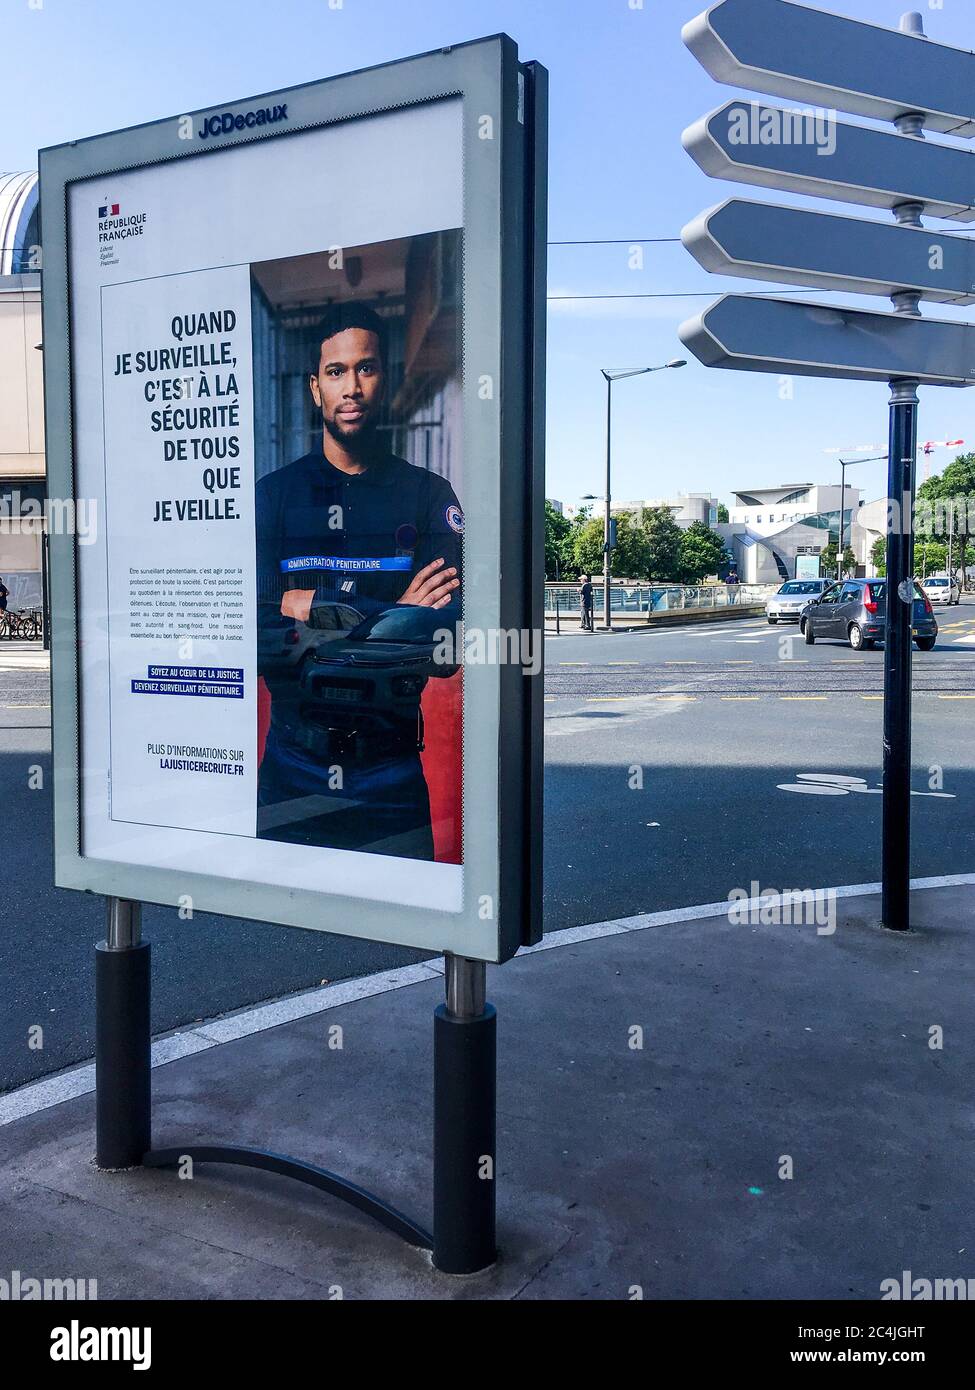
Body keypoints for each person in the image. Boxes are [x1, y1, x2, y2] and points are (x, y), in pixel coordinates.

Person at [255, 301, 463, 861]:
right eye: (336, 371)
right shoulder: (272, 499)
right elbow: (256, 636)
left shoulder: (428, 496)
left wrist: (315, 607)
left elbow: (442, 642)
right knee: (284, 930)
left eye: (365, 368)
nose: (352, 387)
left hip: (390, 772)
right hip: (293, 766)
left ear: (385, 380)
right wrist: (391, 612)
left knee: (409, 935)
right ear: (314, 389)